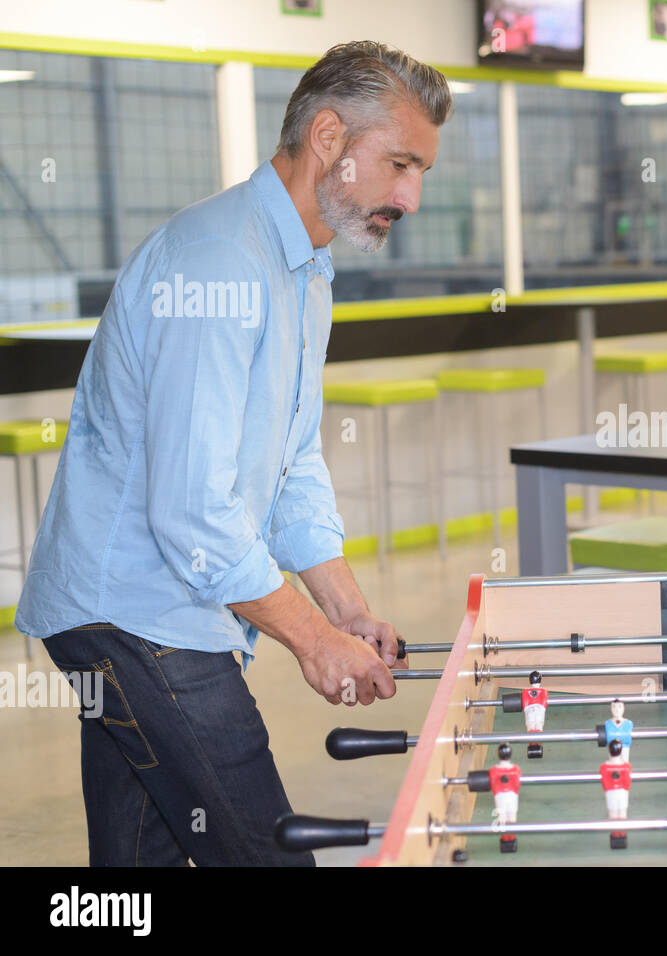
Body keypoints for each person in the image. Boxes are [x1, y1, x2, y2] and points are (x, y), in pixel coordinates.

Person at [14, 41, 452, 865]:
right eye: (399, 163)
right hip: (136, 613)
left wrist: (345, 611)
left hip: (144, 607)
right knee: (264, 851)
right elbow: (193, 515)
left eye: (419, 171)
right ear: (329, 136)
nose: (411, 196)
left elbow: (292, 464)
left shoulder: (304, 272)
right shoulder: (219, 262)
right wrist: (314, 643)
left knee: (135, 868)